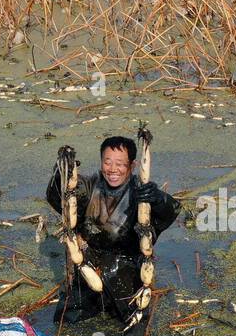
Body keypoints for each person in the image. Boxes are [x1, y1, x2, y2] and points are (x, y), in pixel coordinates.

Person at [46, 136, 181, 325]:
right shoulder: (89, 186)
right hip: (87, 267)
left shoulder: (141, 193)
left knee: (133, 325)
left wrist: (158, 199)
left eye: (120, 164)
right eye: (107, 162)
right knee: (66, 320)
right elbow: (60, 198)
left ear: (132, 165)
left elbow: (171, 211)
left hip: (126, 273)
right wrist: (61, 174)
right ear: (101, 162)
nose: (113, 169)